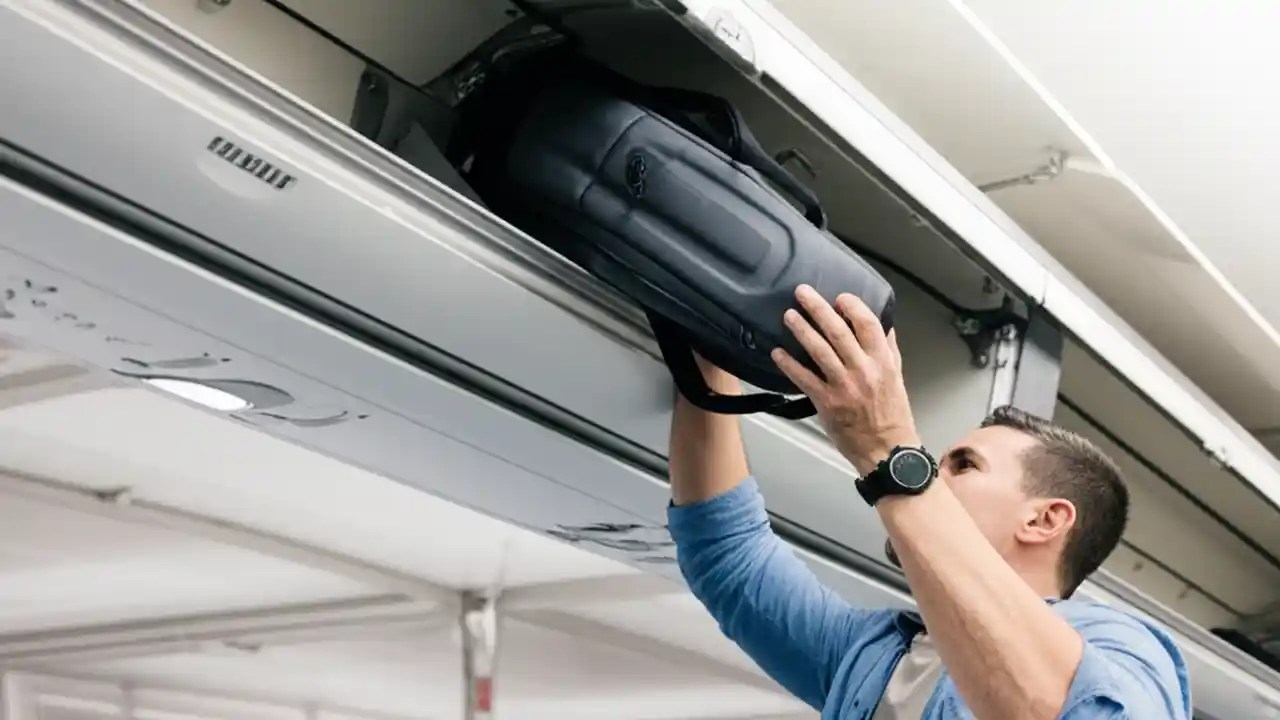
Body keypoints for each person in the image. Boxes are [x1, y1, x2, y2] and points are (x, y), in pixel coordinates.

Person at [667, 284, 1191, 719]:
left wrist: (886, 448)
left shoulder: (1123, 649)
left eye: (962, 466)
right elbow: (727, 555)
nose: (933, 481)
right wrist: (711, 357)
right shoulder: (870, 654)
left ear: (1044, 519)